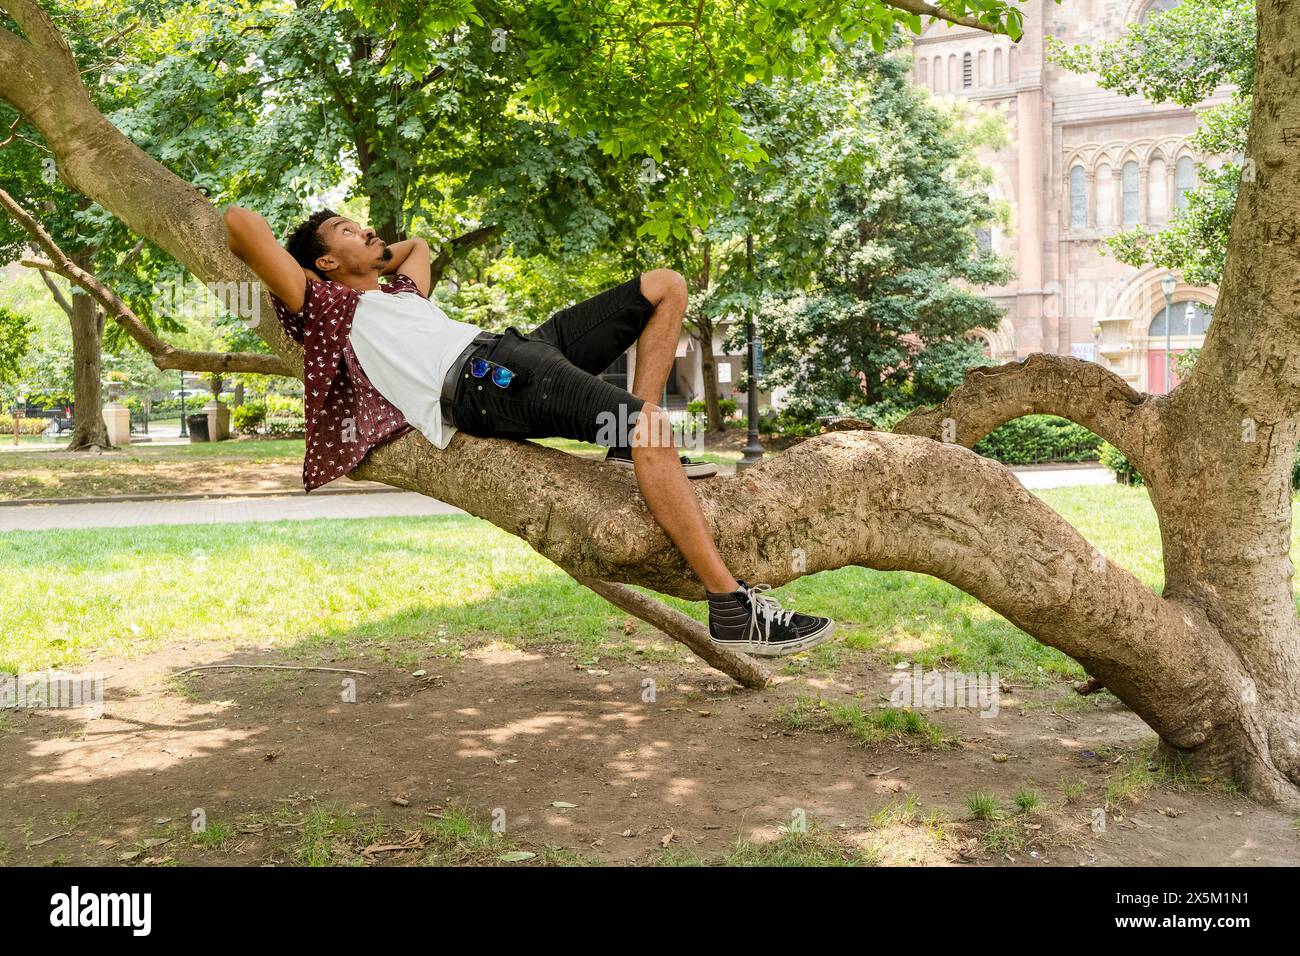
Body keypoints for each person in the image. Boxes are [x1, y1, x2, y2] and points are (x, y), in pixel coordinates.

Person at [223, 205, 834, 656]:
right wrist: (323, 261)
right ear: (325, 262)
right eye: (347, 231)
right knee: (648, 425)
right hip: (486, 380)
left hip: (515, 349)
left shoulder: (399, 294)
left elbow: (419, 246)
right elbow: (240, 224)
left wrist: (374, 251)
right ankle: (731, 606)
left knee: (665, 285)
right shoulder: (328, 305)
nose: (365, 229)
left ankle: (630, 444)